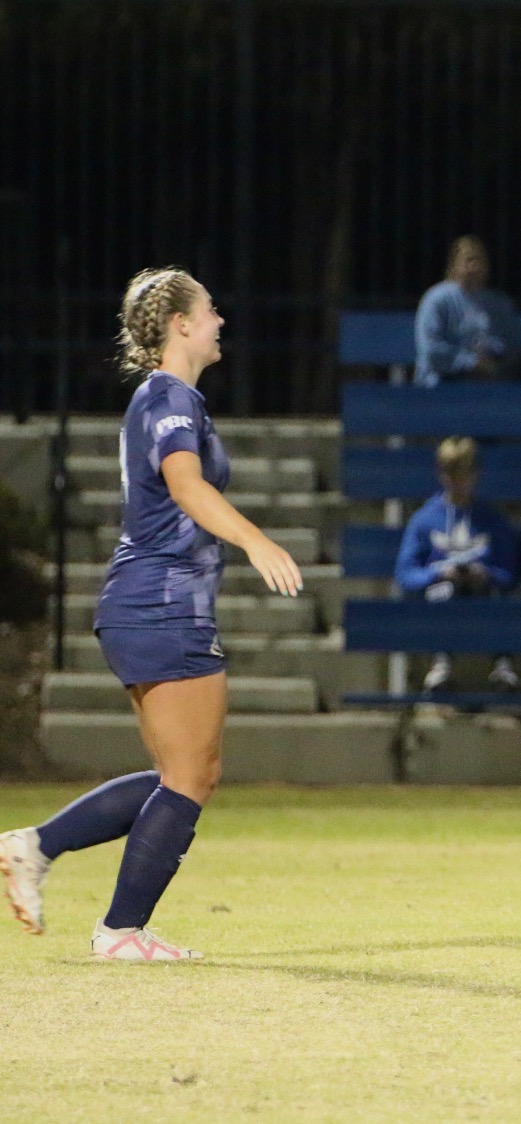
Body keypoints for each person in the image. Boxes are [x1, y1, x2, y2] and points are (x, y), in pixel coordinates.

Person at [0, 268, 302, 962]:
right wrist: (255, 539)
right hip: (161, 604)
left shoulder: (174, 399)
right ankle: (119, 930)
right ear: (181, 324)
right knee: (192, 776)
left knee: (183, 773)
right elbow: (185, 484)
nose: (221, 319)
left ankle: (36, 847)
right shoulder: (168, 396)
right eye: (211, 309)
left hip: (151, 604)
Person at [394, 437, 520, 693]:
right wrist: (439, 572)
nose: (457, 482)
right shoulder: (425, 519)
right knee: (443, 594)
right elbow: (405, 573)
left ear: (476, 474)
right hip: (441, 591)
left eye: (464, 474)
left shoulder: (491, 520)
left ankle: (503, 668)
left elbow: (510, 572)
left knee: (499, 598)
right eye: (450, 473)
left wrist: (485, 574)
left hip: (484, 590)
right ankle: (441, 666)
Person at [413, 235, 521, 387]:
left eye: (480, 260)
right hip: (441, 384)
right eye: (469, 260)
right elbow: (430, 349)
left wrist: (492, 356)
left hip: (489, 384)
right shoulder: (437, 299)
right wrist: (470, 362)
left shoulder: (499, 302)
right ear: (454, 264)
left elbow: (512, 344)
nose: (475, 266)